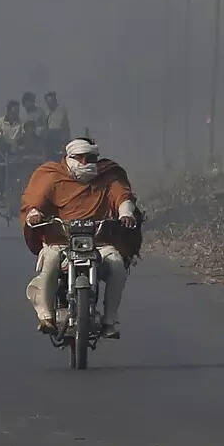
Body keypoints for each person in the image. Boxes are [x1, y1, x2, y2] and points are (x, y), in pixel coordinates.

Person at [21, 138, 141, 339]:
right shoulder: (52, 177)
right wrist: (35, 213)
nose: (88, 163)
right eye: (83, 159)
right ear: (71, 158)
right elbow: (35, 201)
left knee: (118, 266)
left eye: (92, 159)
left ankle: (110, 321)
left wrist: (126, 213)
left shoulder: (108, 177)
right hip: (59, 241)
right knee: (49, 261)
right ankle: (46, 316)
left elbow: (123, 197)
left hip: (99, 242)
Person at [43, 91, 71, 158]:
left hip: (59, 135)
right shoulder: (46, 112)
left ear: (55, 100)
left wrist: (65, 139)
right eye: (48, 102)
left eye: (52, 101)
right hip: (50, 138)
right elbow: (45, 125)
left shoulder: (61, 110)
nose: (50, 103)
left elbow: (65, 126)